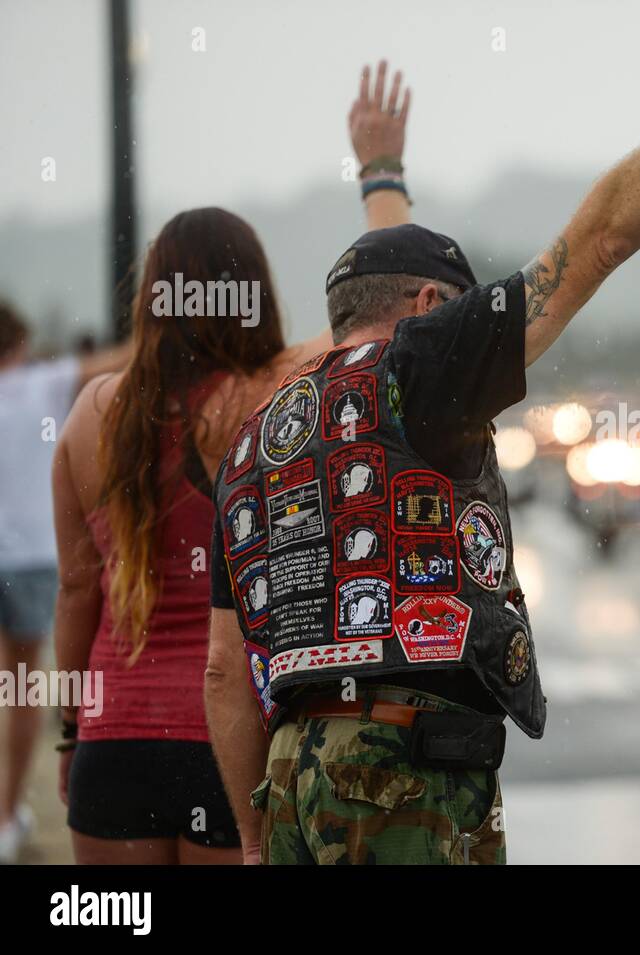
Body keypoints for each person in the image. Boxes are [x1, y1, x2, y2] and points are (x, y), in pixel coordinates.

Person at [204, 17, 640, 865]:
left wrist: (250, 832)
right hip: (404, 775)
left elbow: (225, 672)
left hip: (295, 780)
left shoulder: (255, 443)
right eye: (452, 311)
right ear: (428, 311)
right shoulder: (424, 362)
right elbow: (603, 236)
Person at [50, 61, 412, 864]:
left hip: (114, 745)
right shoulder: (279, 390)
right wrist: (380, 168)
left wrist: (71, 734)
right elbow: (393, 308)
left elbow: (78, 593)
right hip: (236, 745)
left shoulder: (89, 417)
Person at [0, 306, 127, 863]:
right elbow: (125, 358)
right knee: (24, 690)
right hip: (29, 557)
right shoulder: (41, 382)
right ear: (19, 342)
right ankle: (6, 814)